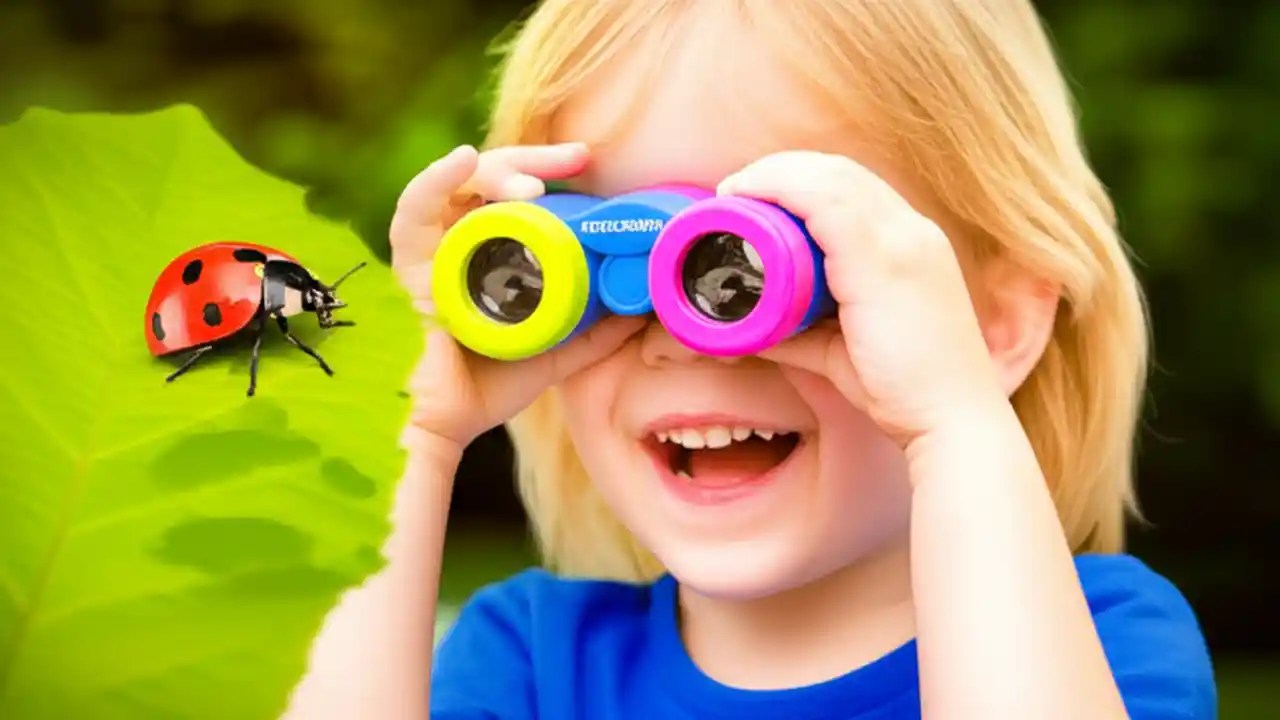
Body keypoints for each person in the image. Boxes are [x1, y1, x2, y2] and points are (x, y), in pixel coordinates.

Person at [282, 0, 1217, 717]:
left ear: (997, 323)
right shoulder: (530, 661)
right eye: (572, 256)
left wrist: (956, 427)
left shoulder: (1093, 644)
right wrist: (407, 425)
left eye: (747, 261)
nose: (685, 333)